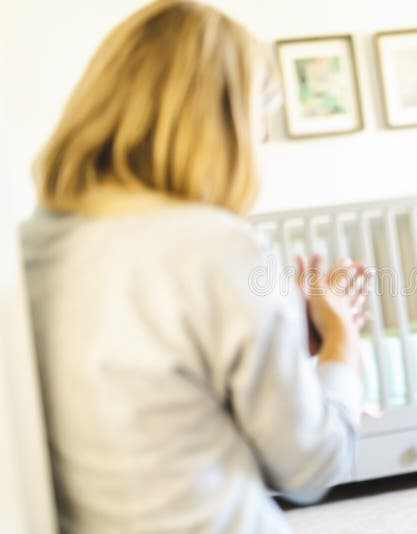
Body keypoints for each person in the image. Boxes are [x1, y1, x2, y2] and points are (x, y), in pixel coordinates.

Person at [20, 1, 369, 532]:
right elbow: (309, 464)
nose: (266, 140)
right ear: (227, 124)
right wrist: (340, 338)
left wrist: (277, 338)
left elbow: (157, 411)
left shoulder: (30, 247)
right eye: (262, 119)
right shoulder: (217, 248)